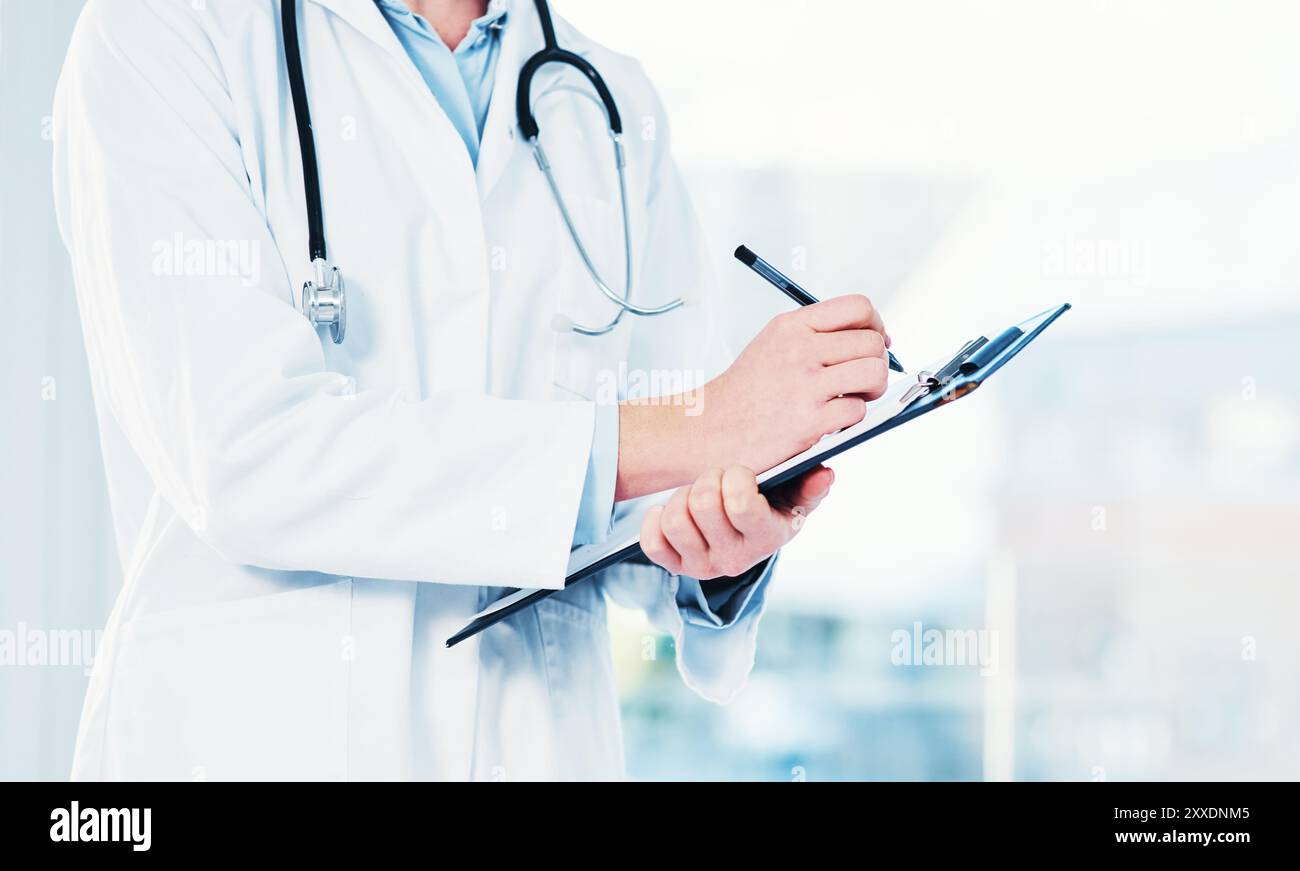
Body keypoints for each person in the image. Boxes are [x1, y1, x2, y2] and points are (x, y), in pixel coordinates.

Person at [52, 0, 891, 780]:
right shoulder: (161, 32)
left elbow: (652, 500)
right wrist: (700, 428)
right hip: (255, 744)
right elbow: (244, 453)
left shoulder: (607, 102)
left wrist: (717, 555)